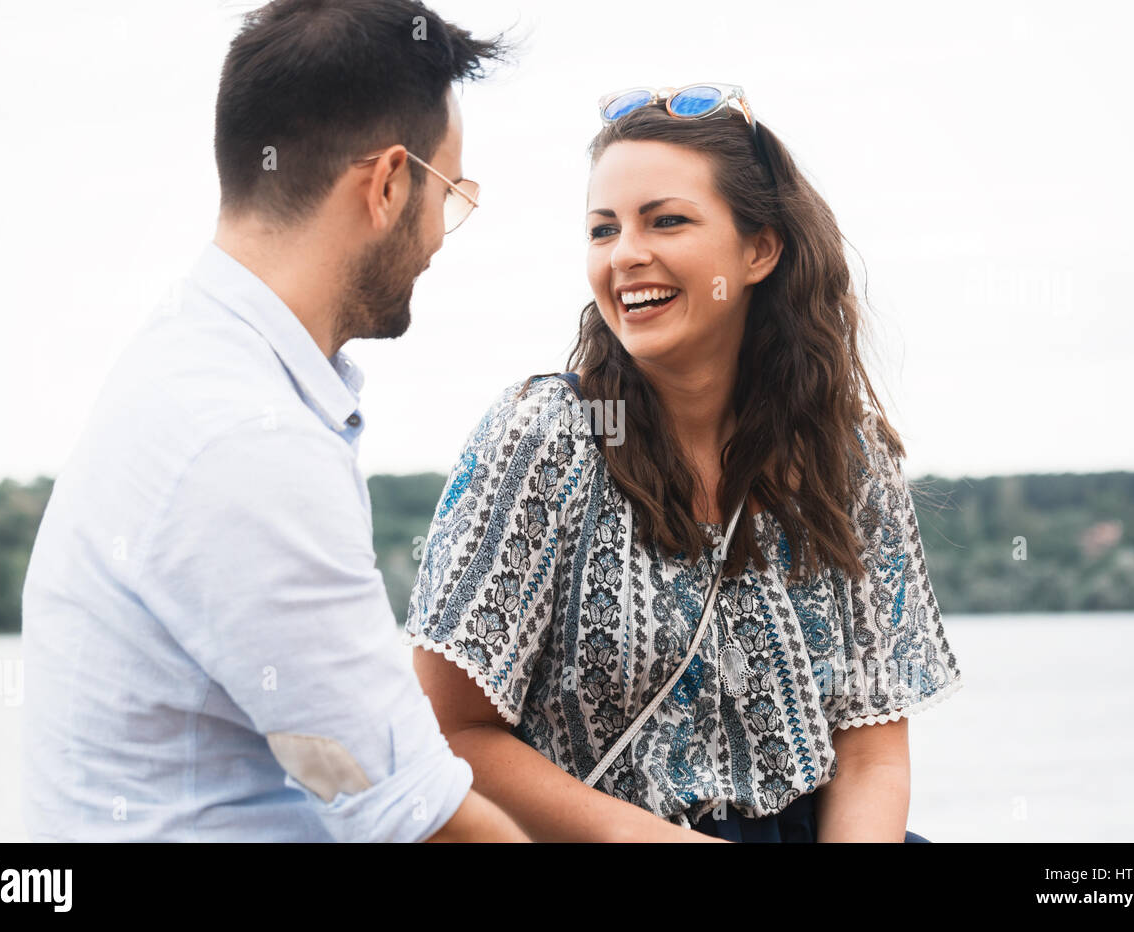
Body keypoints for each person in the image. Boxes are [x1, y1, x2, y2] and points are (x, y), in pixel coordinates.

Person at [20, 0, 529, 842]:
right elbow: (420, 821)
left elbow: (337, 762)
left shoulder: (192, 363)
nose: (444, 231)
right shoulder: (246, 441)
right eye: (450, 191)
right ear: (389, 183)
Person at [405, 84, 965, 842]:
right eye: (603, 230)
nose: (627, 254)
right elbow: (448, 733)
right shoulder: (546, 435)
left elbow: (871, 757)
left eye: (666, 221)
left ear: (759, 249)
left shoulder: (847, 457)